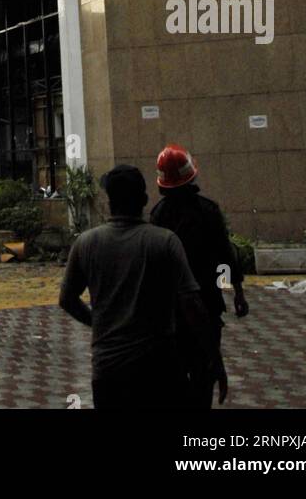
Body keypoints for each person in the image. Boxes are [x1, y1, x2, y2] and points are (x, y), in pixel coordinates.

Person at [59, 163, 226, 411]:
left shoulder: (86, 244)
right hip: (158, 368)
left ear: (109, 200)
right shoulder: (165, 242)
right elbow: (193, 306)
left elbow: (67, 299)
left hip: (108, 369)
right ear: (144, 199)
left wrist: (97, 321)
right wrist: (215, 358)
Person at [150, 144, 248, 409]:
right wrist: (237, 292)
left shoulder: (158, 216)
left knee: (176, 376)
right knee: (204, 374)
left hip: (171, 313)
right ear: (191, 175)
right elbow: (225, 255)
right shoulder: (208, 211)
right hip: (206, 304)